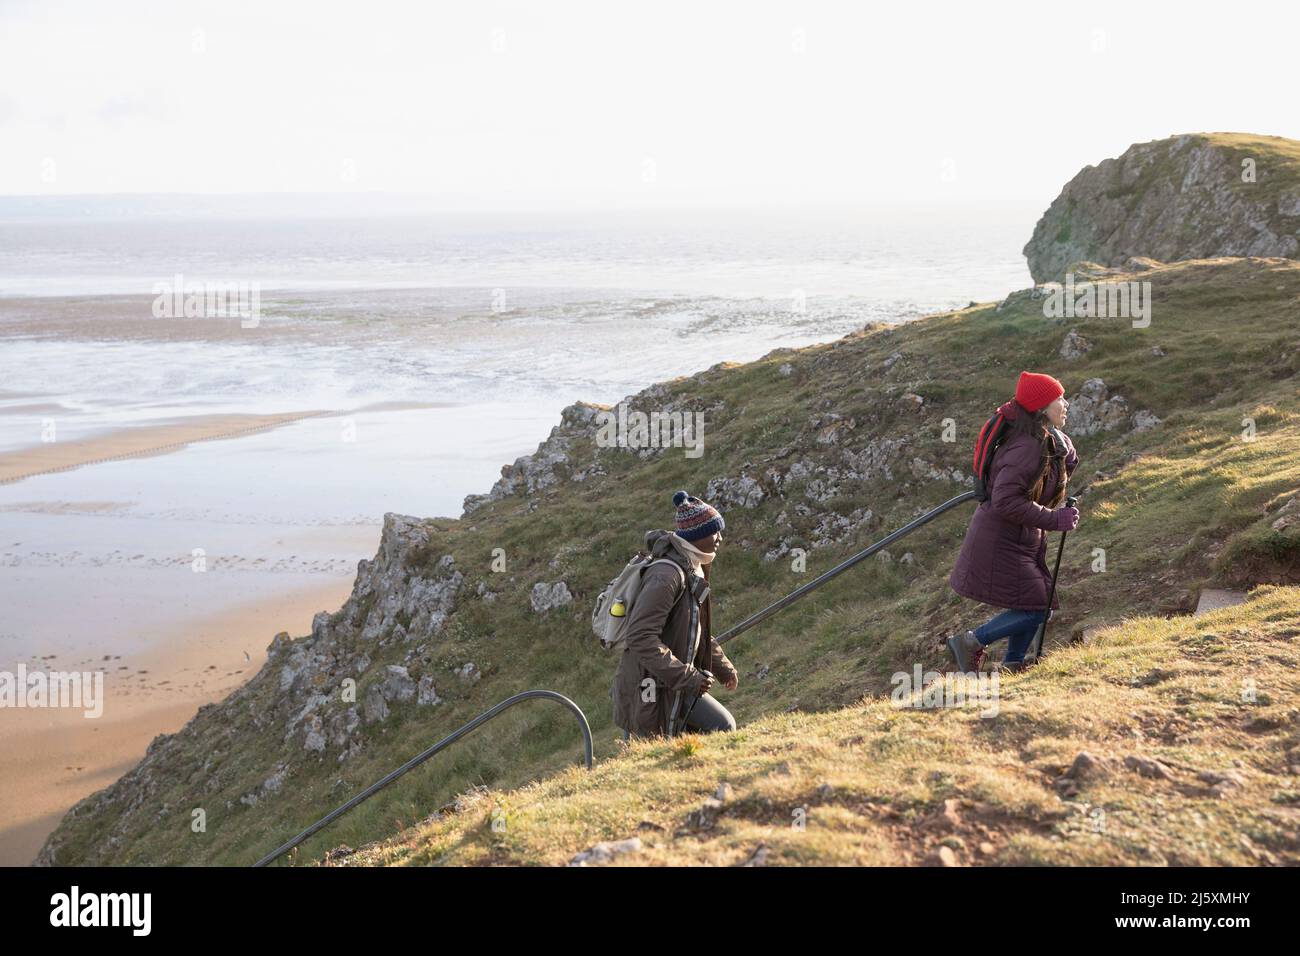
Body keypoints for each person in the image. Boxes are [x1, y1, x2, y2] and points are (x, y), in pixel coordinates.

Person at [947, 371, 1080, 672]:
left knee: (1032, 603)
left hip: (1018, 538)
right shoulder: (1027, 446)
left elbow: (1042, 482)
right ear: (1042, 407)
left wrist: (1068, 456)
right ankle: (970, 642)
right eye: (1059, 398)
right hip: (1001, 540)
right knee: (1038, 607)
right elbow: (1006, 500)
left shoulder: (1042, 439)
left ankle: (1013, 664)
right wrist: (1054, 519)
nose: (1066, 403)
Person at [611, 491, 739, 738]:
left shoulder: (691, 568)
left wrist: (723, 667)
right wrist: (689, 677)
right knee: (721, 728)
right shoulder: (667, 576)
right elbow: (640, 638)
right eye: (715, 531)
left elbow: (695, 631)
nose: (720, 538)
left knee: (704, 736)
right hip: (649, 689)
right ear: (696, 535)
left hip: (670, 682)